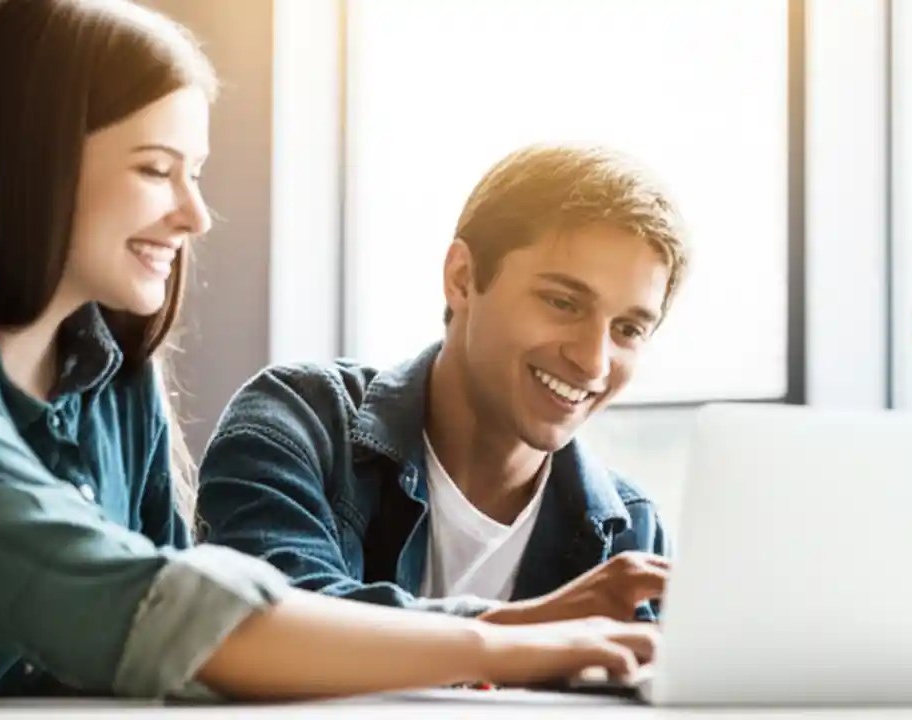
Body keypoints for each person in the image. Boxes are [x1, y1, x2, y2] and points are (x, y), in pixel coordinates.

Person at [0, 0, 655, 699]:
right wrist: (499, 643)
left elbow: (173, 662)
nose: (195, 214)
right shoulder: (299, 416)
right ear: (31, 159)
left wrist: (509, 630)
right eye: (155, 169)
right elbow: (155, 608)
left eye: (195, 173)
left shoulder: (119, 381)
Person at [196, 143, 687, 625]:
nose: (593, 361)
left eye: (628, 330)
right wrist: (527, 632)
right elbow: (269, 625)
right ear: (462, 277)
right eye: (562, 303)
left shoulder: (631, 532)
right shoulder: (298, 426)